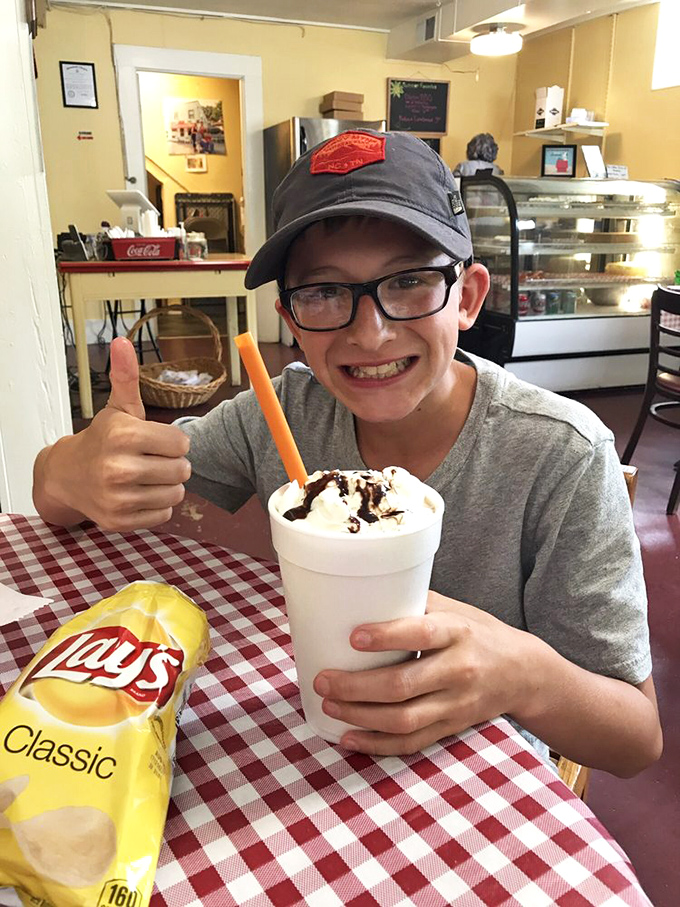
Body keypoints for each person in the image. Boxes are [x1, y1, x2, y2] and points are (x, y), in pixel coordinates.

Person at [33, 129, 661, 774]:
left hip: (477, 779)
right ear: (289, 316)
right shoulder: (280, 414)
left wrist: (527, 676)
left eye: (411, 280)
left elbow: (636, 741)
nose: (372, 333)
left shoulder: (562, 455)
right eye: (325, 292)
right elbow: (60, 502)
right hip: (312, 753)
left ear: (469, 297)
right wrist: (70, 467)